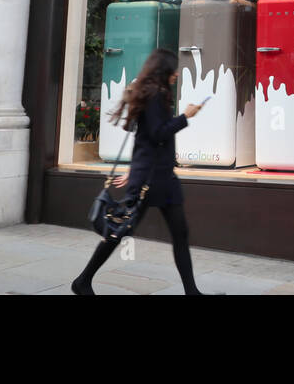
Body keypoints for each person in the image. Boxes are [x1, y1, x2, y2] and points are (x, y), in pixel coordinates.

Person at [72, 48, 206, 295]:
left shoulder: (156, 93)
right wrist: (186, 116)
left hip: (161, 176)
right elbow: (157, 134)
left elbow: (145, 138)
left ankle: (192, 292)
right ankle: (83, 281)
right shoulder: (155, 95)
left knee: (180, 232)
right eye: (174, 69)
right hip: (150, 179)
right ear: (163, 69)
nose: (177, 73)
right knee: (119, 230)